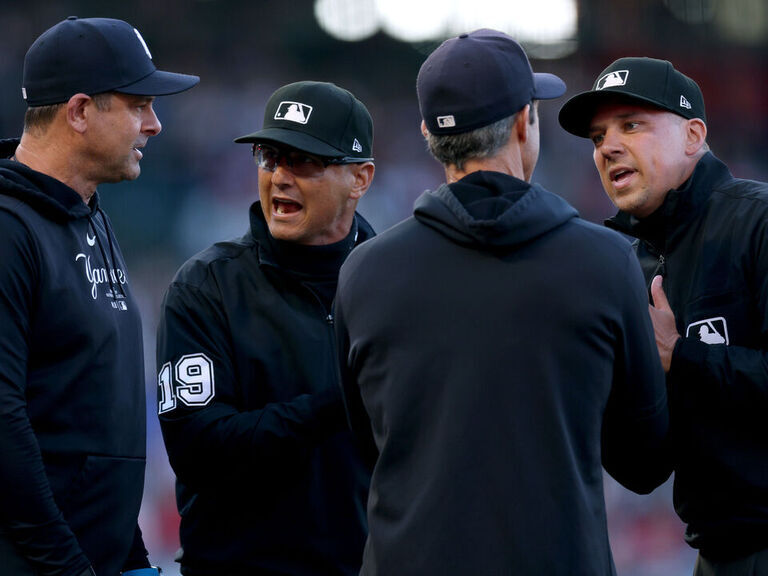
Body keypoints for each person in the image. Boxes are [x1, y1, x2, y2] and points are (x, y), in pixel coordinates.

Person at [334, 29, 670, 576]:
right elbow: (645, 461)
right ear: (522, 122)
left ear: (428, 133)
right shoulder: (606, 262)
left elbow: (369, 444)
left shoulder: (363, 272)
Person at [0, 15, 198, 576]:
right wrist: (68, 567)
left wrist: (128, 552)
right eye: (139, 104)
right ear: (80, 111)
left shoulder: (90, 216)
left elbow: (91, 428)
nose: (155, 125)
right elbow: (4, 426)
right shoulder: (10, 229)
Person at [156, 80, 376, 576]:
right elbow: (199, 451)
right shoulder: (206, 287)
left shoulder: (397, 284)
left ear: (360, 178)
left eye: (304, 160)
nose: (279, 177)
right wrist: (336, 404)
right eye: (270, 156)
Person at [559, 57, 768, 575]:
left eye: (631, 125)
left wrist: (683, 356)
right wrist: (596, 384)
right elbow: (645, 468)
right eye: (596, 136)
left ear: (693, 135)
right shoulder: (629, 266)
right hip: (717, 553)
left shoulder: (758, 222)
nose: (607, 147)